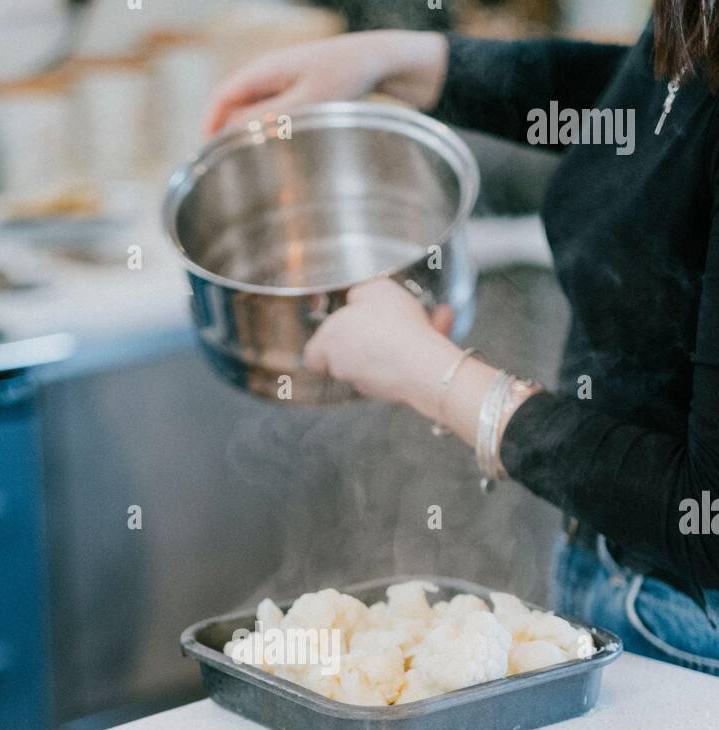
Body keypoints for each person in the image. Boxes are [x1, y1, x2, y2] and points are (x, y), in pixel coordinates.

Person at [205, 7, 719, 675]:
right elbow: (666, 108)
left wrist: (429, 374)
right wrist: (404, 62)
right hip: (620, 570)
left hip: (690, 634)